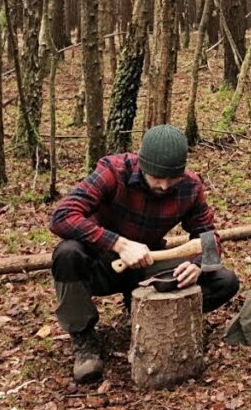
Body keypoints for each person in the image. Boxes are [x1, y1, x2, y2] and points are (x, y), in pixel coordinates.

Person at [49, 124, 240, 383]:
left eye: (171, 179)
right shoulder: (113, 171)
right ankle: (84, 340)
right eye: (156, 177)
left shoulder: (190, 187)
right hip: (102, 264)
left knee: (224, 280)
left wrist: (196, 265)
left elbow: (208, 236)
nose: (163, 185)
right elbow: (62, 216)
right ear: (142, 165)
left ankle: (144, 316)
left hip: (148, 267)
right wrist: (117, 243)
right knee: (67, 253)